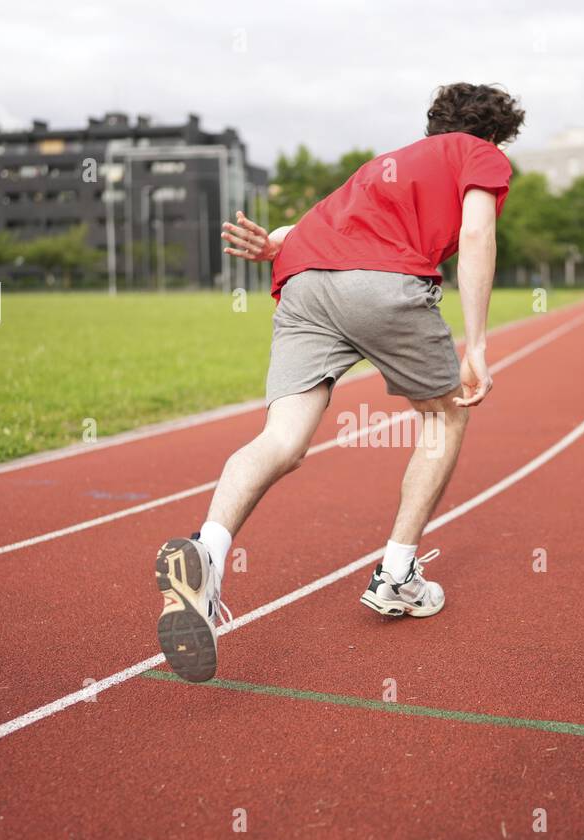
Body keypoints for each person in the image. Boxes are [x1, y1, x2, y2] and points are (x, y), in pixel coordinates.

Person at [155, 82, 524, 682]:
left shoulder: (386, 163)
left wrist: (269, 242)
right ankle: (397, 574)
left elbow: (303, 230)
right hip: (381, 285)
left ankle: (209, 550)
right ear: (493, 135)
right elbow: (478, 234)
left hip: (302, 283)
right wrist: (477, 344)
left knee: (282, 440)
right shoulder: (477, 153)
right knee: (446, 413)